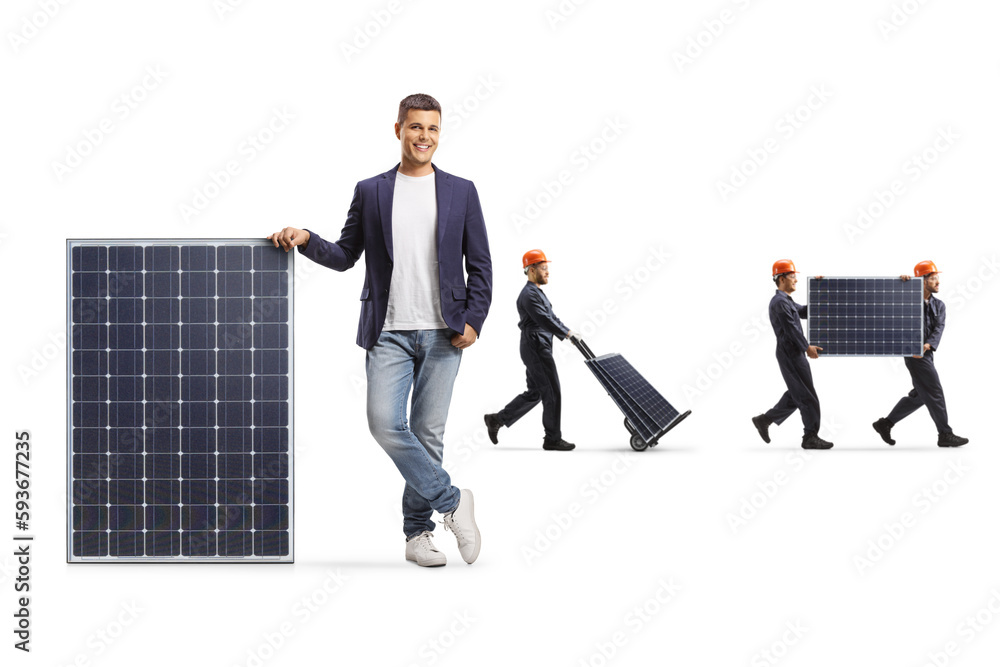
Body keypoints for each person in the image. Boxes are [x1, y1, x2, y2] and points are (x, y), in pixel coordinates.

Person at [267, 93, 492, 567]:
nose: (423, 137)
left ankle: (417, 536)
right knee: (385, 424)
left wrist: (474, 320)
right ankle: (454, 502)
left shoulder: (461, 191)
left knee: (428, 435)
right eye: (415, 127)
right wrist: (306, 239)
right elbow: (347, 255)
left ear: (439, 132)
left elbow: (481, 265)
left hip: (444, 332)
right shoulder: (371, 190)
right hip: (388, 330)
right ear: (398, 130)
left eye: (432, 128)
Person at [484, 250, 577, 451]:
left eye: (547, 268)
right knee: (552, 391)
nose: (548, 272)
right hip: (535, 345)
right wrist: (567, 334)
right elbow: (543, 320)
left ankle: (497, 419)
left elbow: (552, 317)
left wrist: (569, 331)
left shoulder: (537, 292)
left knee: (536, 392)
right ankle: (552, 438)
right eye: (544, 268)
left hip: (538, 344)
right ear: (531, 269)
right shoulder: (528, 295)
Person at [873, 261, 968, 447]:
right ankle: (945, 434)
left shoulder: (939, 305)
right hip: (913, 354)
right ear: (922, 281)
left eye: (937, 278)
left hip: (926, 353)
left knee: (921, 395)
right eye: (933, 278)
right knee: (934, 391)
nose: (937, 282)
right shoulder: (907, 299)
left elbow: (939, 328)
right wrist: (901, 286)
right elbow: (890, 309)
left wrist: (927, 345)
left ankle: (885, 423)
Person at [751, 260, 833, 449]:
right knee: (807, 395)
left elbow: (804, 312)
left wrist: (819, 290)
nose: (796, 279)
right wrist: (806, 347)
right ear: (781, 278)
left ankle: (765, 419)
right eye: (792, 276)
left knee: (798, 393)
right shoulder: (779, 303)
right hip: (790, 352)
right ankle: (810, 436)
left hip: (792, 352)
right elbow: (791, 329)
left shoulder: (785, 300)